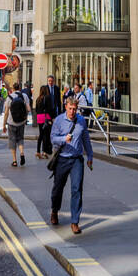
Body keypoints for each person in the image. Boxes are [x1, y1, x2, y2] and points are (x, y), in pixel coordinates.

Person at [49, 95, 93, 235]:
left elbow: (86, 139)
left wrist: (90, 156)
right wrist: (63, 139)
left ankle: (75, 221)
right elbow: (52, 138)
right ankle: (55, 211)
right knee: (58, 189)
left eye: (75, 109)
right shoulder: (59, 121)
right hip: (62, 159)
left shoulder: (81, 121)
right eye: (70, 109)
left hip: (76, 159)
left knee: (76, 190)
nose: (72, 112)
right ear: (66, 107)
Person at [3, 83, 29, 167]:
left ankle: (14, 161)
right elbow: (28, 109)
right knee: (20, 138)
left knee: (12, 140)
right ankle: (22, 153)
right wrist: (25, 117)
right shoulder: (24, 96)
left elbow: (6, 112)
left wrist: (4, 124)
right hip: (21, 122)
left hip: (11, 122)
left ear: (13, 89)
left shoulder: (9, 97)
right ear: (19, 88)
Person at [34, 84, 53, 158]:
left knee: (41, 135)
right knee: (47, 135)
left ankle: (38, 151)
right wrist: (51, 119)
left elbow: (36, 110)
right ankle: (44, 152)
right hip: (46, 117)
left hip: (39, 118)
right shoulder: (48, 97)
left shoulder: (38, 98)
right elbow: (50, 109)